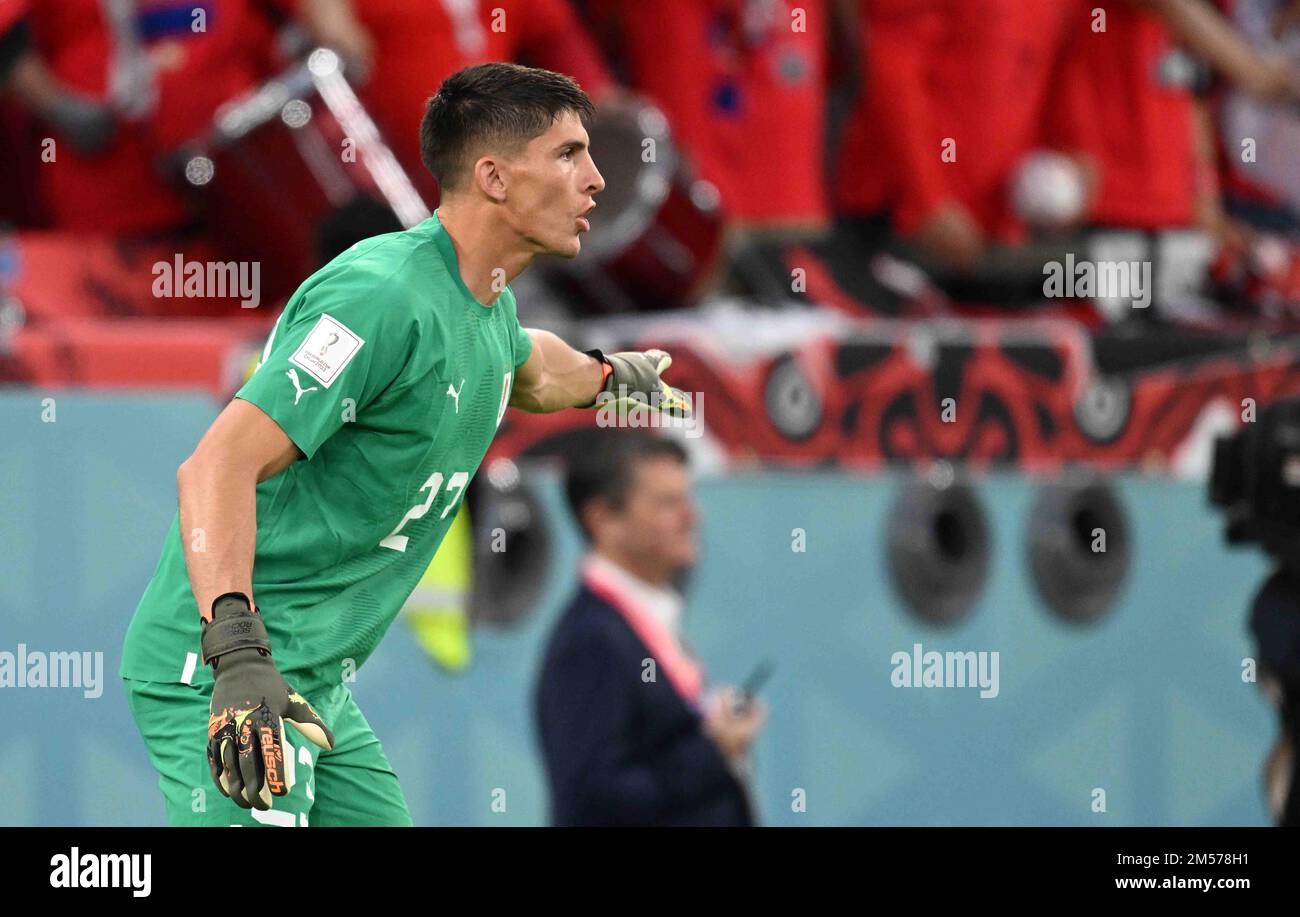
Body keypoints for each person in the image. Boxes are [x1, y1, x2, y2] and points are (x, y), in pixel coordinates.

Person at [119, 62, 691, 826]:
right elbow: (216, 465)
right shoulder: (381, 296)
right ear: (493, 176)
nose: (595, 179)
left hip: (311, 676)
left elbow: (534, 369)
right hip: (229, 668)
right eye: (567, 154)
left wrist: (613, 378)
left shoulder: (486, 306)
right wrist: (237, 649)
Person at [536, 430, 765, 826]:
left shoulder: (636, 623)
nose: (692, 516)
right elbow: (591, 802)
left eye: (687, 498)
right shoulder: (591, 640)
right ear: (602, 519)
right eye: (667, 503)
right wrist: (715, 750)